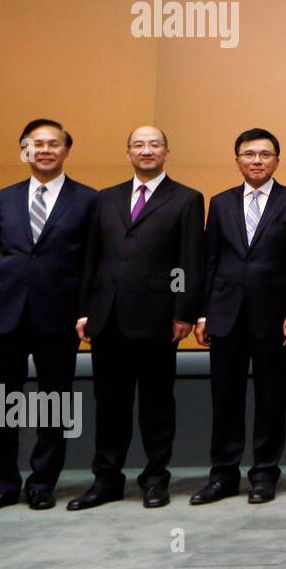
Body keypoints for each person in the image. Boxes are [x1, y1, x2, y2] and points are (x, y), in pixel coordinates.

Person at [69, 126, 204, 510]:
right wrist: (84, 309)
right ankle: (106, 479)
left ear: (167, 150)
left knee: (156, 404)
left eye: (154, 144)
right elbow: (91, 259)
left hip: (158, 319)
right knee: (110, 403)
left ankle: (155, 478)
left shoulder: (186, 199)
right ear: (128, 151)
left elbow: (187, 263)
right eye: (139, 145)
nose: (147, 151)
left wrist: (183, 311)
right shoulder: (105, 199)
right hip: (107, 317)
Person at [191, 129, 286, 505]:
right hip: (225, 316)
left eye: (264, 154)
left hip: (274, 318)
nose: (256, 160)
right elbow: (209, 261)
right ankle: (223, 474)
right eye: (248, 154)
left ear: (277, 160)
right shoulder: (221, 202)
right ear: (237, 160)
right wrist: (203, 313)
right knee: (225, 398)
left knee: (270, 399)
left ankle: (264, 474)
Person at [0, 120, 97, 513]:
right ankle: (0, 482)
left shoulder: (87, 200)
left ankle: (42, 481)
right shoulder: (1, 199)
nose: (45, 150)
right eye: (36, 145)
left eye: (54, 144)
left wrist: (84, 310)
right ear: (24, 151)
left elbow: (90, 262)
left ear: (66, 150)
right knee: (0, 400)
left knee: (53, 398)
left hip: (60, 314)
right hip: (5, 312)